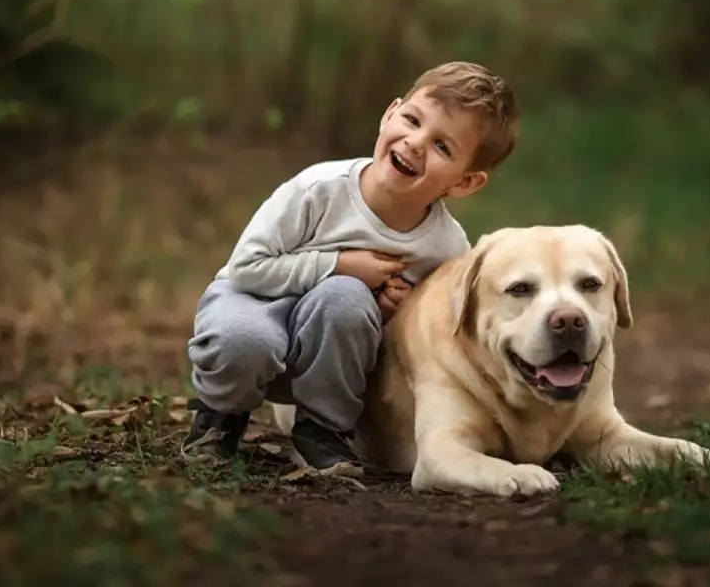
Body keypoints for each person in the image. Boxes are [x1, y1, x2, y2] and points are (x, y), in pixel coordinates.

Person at [181, 61, 521, 475]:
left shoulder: (446, 247)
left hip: (328, 352)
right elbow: (246, 270)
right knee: (246, 340)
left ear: (464, 183)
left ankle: (321, 431)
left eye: (442, 147)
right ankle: (219, 417)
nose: (415, 143)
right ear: (389, 113)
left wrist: (400, 308)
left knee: (347, 301)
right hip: (252, 303)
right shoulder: (318, 190)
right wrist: (340, 265)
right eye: (412, 120)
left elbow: (432, 328)